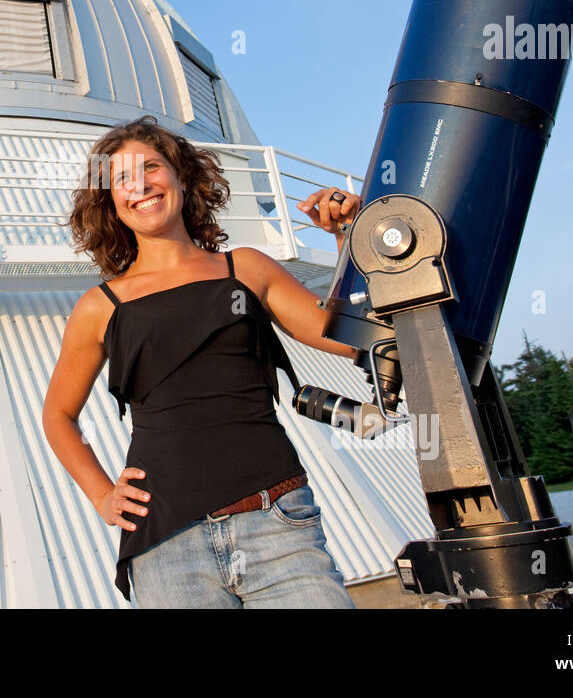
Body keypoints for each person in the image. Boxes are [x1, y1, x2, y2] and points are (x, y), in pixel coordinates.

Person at [42, 115, 363, 608]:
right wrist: (103, 495)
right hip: (165, 544)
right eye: (122, 178)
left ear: (181, 176)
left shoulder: (247, 269)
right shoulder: (101, 306)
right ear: (110, 201)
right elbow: (58, 416)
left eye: (151, 167)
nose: (140, 185)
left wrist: (346, 238)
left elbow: (349, 339)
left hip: (277, 522)